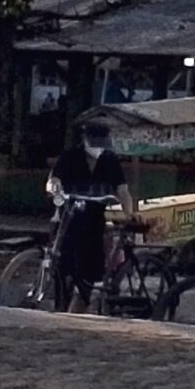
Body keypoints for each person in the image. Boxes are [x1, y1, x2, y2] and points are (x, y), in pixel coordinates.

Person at [46, 115, 132, 314]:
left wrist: (130, 214)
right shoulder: (69, 157)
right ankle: (60, 309)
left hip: (94, 224)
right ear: (85, 139)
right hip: (69, 221)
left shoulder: (109, 160)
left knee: (89, 275)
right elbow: (53, 180)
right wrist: (56, 192)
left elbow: (123, 191)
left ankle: (75, 313)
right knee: (63, 268)